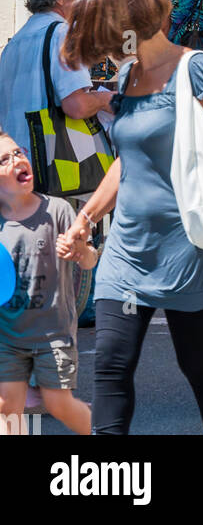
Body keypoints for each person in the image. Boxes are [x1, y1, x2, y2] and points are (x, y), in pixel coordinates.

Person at [59, 0, 203, 436]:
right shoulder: (128, 76)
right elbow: (127, 163)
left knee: (197, 365)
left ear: (127, 27)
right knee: (110, 366)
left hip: (186, 248)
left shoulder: (197, 69)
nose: (107, 51)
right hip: (128, 252)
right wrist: (86, 217)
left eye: (108, 39)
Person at [0, 130, 99, 436]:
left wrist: (81, 250)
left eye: (19, 153)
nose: (17, 160)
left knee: (58, 404)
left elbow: (90, 260)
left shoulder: (57, 209)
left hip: (53, 334)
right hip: (7, 336)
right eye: (4, 159)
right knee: (7, 407)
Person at [0, 0, 113, 153]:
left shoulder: (13, 45)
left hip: (17, 165)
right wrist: (106, 99)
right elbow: (76, 105)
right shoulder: (63, 34)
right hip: (55, 166)